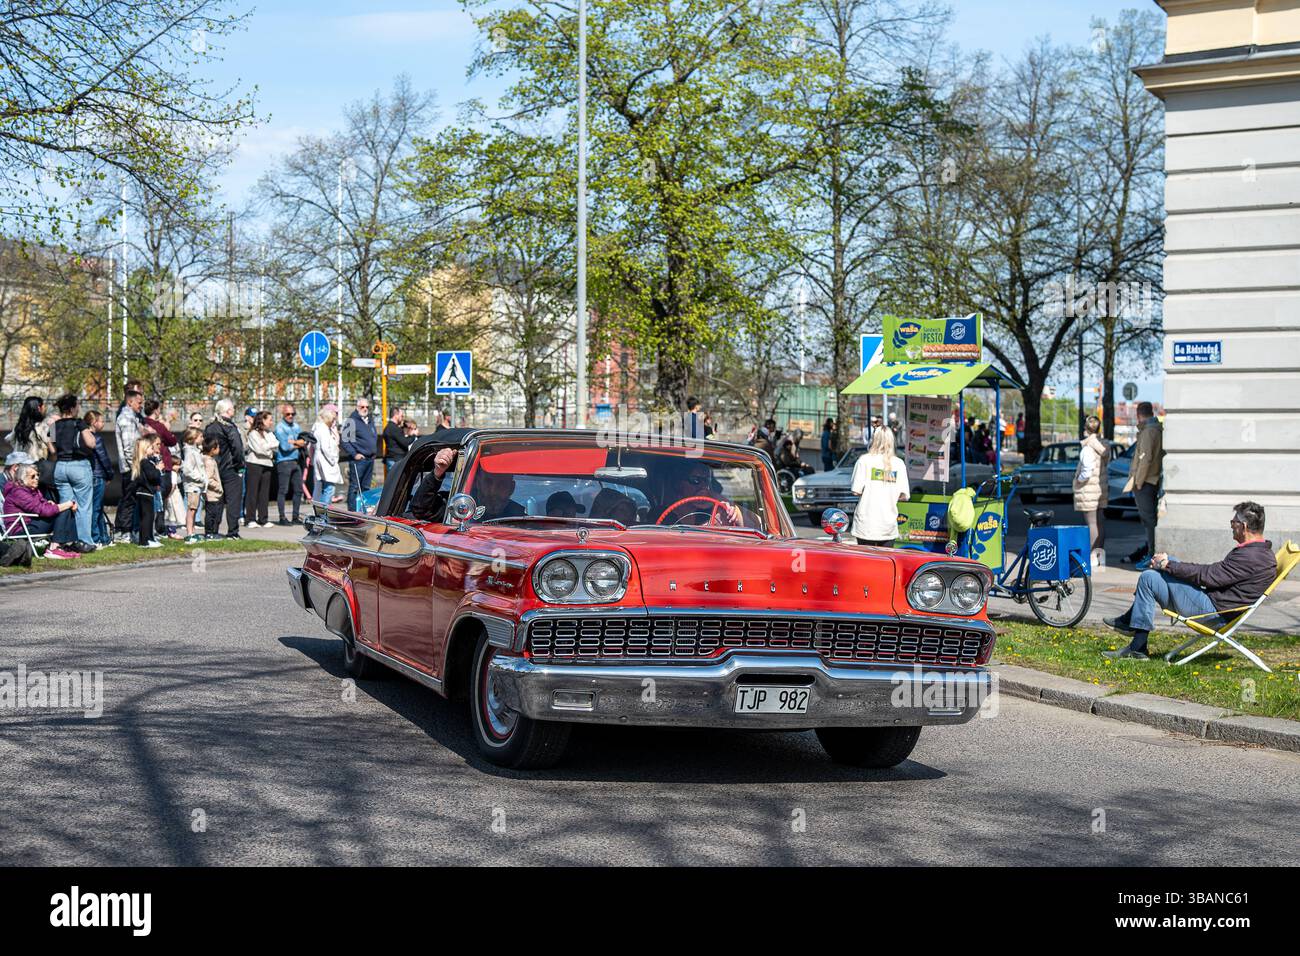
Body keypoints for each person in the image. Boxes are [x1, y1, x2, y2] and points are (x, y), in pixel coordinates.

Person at [1103, 501, 1276, 660]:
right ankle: (1133, 634)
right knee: (1161, 568)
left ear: (1243, 526)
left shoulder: (1249, 556)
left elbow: (1208, 577)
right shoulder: (1261, 552)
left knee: (1149, 577)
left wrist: (1167, 565)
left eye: (1233, 522)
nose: (1231, 526)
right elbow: (1213, 574)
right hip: (1217, 606)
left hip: (1212, 613)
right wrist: (1168, 563)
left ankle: (1134, 638)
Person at [849, 426, 909, 546]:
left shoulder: (864, 460)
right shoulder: (899, 464)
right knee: (886, 563)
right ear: (892, 441)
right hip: (888, 523)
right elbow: (904, 495)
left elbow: (856, 490)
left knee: (865, 562)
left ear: (874, 440)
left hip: (866, 523)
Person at [2, 463, 79, 558]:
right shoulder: (18, 492)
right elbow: (43, 510)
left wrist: (50, 503)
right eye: (33, 476)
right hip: (21, 529)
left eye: (38, 475)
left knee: (64, 509)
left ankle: (65, 546)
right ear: (23, 478)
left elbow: (42, 505)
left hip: (31, 523)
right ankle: (54, 548)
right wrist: (68, 504)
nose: (37, 478)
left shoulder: (32, 490)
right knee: (63, 509)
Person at [51, 394, 96, 553]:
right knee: (83, 506)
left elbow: (52, 449)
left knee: (65, 505)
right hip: (78, 466)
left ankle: (63, 540)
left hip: (60, 466)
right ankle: (84, 541)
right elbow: (91, 443)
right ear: (72, 408)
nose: (78, 408)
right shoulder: (79, 423)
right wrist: (86, 430)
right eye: (77, 405)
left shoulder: (54, 425)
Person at [1123, 401, 1164, 569]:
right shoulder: (1155, 429)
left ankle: (1151, 555)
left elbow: (1145, 459)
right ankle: (1151, 552)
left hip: (1146, 481)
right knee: (1150, 520)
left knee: (1149, 521)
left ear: (1139, 415)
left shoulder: (1148, 432)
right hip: (1152, 480)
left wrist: (1138, 482)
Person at [204, 399, 246, 538]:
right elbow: (237, 448)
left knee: (216, 499)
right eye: (233, 408)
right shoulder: (229, 427)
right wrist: (240, 466)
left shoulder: (210, 426)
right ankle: (233, 532)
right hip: (230, 467)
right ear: (228, 411)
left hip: (214, 466)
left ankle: (212, 530)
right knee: (233, 501)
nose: (234, 410)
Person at [142, 399, 179, 538]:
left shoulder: (142, 423)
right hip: (161, 464)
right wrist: (167, 427)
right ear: (156, 410)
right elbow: (172, 440)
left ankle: (152, 528)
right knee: (161, 496)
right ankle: (160, 528)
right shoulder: (159, 426)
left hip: (146, 463)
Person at [1073, 415, 1109, 555]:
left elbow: (1086, 471)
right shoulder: (1103, 445)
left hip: (1088, 490)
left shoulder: (1087, 448)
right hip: (1100, 488)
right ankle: (1099, 556)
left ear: (1085, 430)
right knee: (1099, 523)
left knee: (1091, 524)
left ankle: (1092, 556)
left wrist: (1078, 480)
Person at [113, 389, 146, 541]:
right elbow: (128, 447)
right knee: (129, 499)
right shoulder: (126, 419)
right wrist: (134, 466)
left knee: (131, 498)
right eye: (139, 403)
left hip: (134, 465)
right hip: (130, 467)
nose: (141, 405)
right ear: (130, 402)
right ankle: (123, 531)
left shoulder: (134, 418)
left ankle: (128, 530)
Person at [125, 434, 164, 548]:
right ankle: (145, 541)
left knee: (147, 517)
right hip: (146, 493)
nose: (153, 450)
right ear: (145, 450)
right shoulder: (146, 463)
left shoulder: (142, 463)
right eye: (151, 448)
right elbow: (153, 477)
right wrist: (158, 469)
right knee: (147, 517)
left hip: (143, 493)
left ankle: (149, 538)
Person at [85, 410, 116, 548]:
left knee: (95, 508)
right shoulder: (96, 438)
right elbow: (103, 458)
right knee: (96, 508)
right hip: (98, 475)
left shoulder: (82, 436)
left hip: (89, 475)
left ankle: (104, 538)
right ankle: (96, 538)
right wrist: (109, 474)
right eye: (101, 421)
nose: (103, 423)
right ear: (94, 422)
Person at [340, 397, 377, 510]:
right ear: (357, 407)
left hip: (370, 459)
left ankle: (364, 510)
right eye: (362, 407)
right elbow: (344, 440)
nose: (365, 409)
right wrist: (354, 454)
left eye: (367, 407)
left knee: (366, 487)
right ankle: (351, 512)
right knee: (355, 487)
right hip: (359, 460)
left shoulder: (369, 420)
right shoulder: (352, 420)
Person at [273, 403, 306, 526]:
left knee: (298, 490)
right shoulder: (280, 428)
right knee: (283, 490)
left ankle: (295, 517)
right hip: (284, 462)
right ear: (283, 414)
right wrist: (298, 443)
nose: (290, 416)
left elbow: (304, 441)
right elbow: (285, 447)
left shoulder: (296, 426)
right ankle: (282, 517)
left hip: (296, 461)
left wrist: (294, 442)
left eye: (293, 414)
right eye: (288, 414)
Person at [243, 410, 276, 527]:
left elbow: (276, 444)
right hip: (254, 464)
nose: (271, 422)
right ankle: (250, 519)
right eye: (269, 420)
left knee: (264, 493)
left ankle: (263, 518)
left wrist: (266, 447)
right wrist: (269, 448)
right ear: (262, 420)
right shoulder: (253, 433)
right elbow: (258, 449)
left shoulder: (269, 433)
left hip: (267, 464)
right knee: (252, 492)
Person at [180, 427, 206, 544]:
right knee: (191, 510)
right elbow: (187, 470)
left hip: (197, 486)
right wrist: (199, 478)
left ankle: (193, 532)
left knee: (194, 510)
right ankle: (189, 533)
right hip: (192, 486)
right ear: (194, 438)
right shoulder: (190, 452)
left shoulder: (196, 451)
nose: (202, 439)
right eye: (200, 437)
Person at [312, 407, 342, 506]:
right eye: (333, 419)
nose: (334, 421)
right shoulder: (323, 429)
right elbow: (325, 448)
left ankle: (323, 513)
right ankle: (323, 514)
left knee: (325, 488)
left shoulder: (321, 428)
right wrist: (333, 459)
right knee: (329, 489)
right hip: (326, 462)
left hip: (322, 460)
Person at [200, 438, 225, 539]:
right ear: (212, 449)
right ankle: (210, 533)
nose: (219, 449)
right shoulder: (209, 462)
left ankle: (214, 532)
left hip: (213, 494)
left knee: (214, 514)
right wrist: (218, 487)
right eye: (217, 447)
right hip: (213, 494)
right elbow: (209, 478)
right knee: (212, 515)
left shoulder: (209, 459)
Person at [382, 406, 414, 474]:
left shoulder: (389, 427)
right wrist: (413, 435)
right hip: (395, 460)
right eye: (401, 416)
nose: (402, 418)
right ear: (396, 415)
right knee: (395, 483)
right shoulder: (394, 429)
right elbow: (405, 443)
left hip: (393, 459)